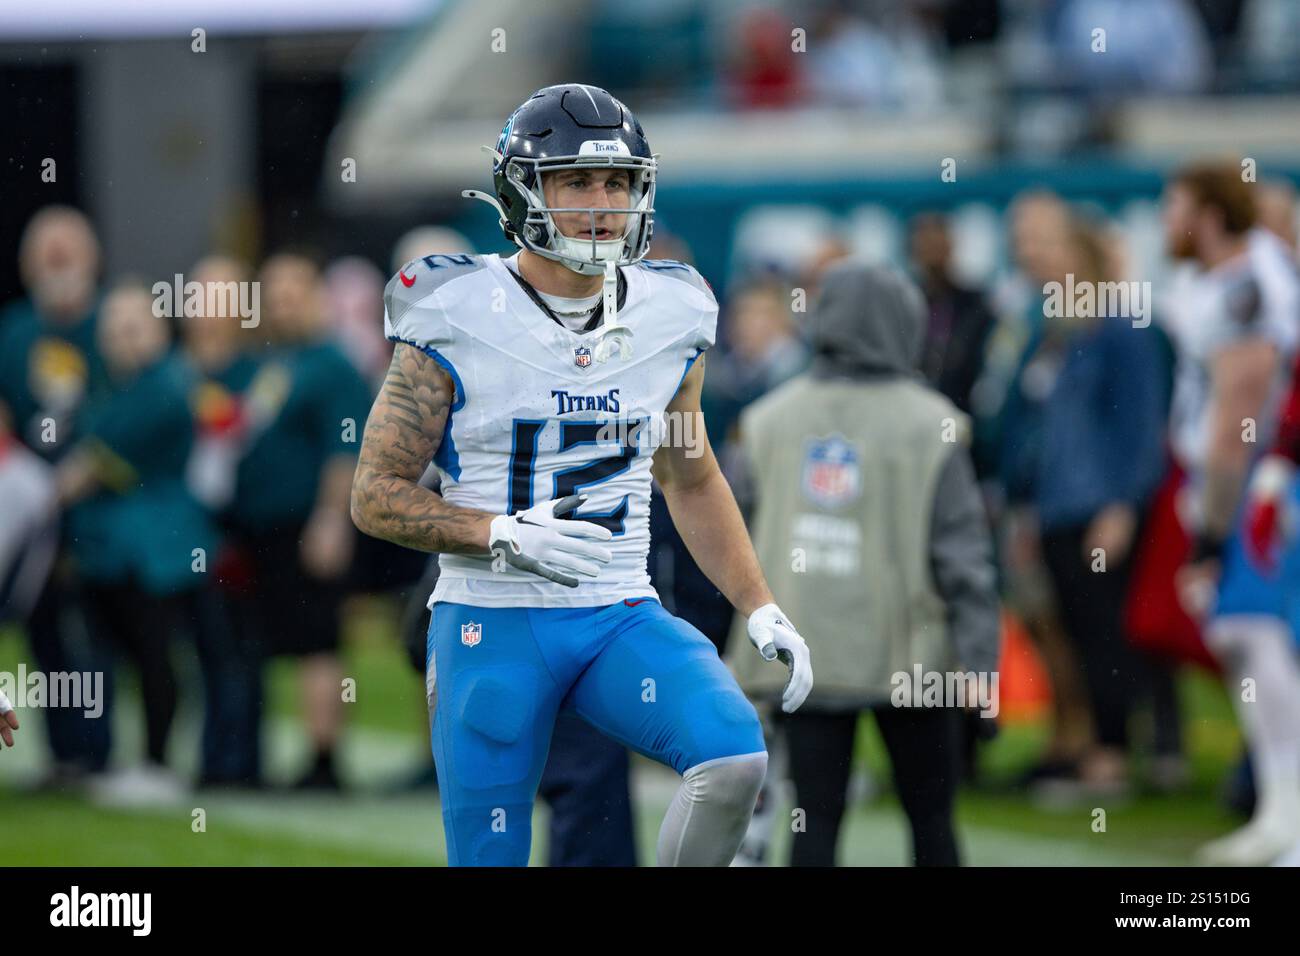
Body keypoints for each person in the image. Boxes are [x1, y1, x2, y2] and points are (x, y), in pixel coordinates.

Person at [350, 83, 812, 867]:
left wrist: (760, 603)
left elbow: (689, 476)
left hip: (617, 613)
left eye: (618, 181)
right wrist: (496, 533)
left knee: (734, 758)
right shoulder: (456, 307)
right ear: (523, 190)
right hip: (489, 621)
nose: (603, 202)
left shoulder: (674, 311)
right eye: (575, 180)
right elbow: (374, 494)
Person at [727, 263, 1001, 866]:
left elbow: (731, 531)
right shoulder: (935, 424)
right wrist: (982, 669)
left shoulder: (769, 417)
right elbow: (965, 561)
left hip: (802, 654)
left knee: (814, 818)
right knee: (931, 819)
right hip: (913, 658)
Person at [1160, 162, 1300, 865]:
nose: (1166, 220)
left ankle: (1287, 812)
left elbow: (1239, 412)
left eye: (1176, 204)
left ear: (1209, 213)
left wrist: (1212, 532)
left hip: (1259, 480)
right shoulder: (1224, 279)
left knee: (1255, 633)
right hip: (1245, 478)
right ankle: (1281, 809)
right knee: (1251, 639)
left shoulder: (1245, 284)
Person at [57, 280, 216, 803]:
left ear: (156, 331)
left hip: (160, 544)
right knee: (123, 652)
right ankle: (139, 758)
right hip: (114, 547)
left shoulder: (165, 384)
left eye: (133, 329)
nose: (122, 340)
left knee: (157, 651)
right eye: (113, 330)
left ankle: (160, 763)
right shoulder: (110, 385)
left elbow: (90, 459)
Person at [228, 250, 372, 790]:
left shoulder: (331, 365)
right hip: (261, 527)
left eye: (294, 293)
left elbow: (346, 448)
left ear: (315, 297)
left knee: (318, 641)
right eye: (275, 294)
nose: (283, 305)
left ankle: (324, 761)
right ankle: (265, 757)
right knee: (273, 641)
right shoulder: (269, 362)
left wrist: (331, 519)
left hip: (306, 522)